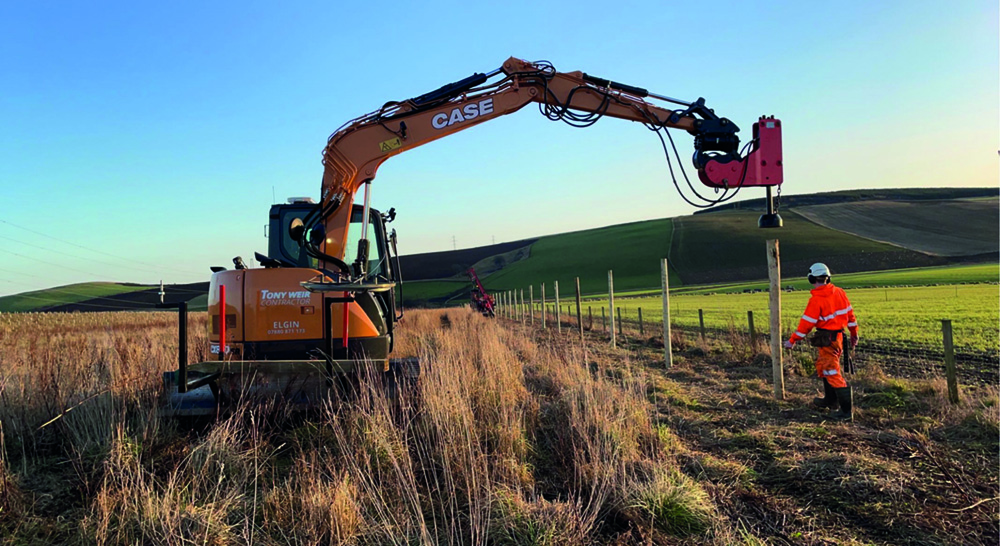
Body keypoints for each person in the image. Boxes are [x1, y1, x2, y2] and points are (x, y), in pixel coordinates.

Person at [783, 263, 859, 421]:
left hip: (828, 340)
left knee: (832, 371)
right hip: (838, 338)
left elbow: (806, 325)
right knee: (825, 367)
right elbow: (850, 316)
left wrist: (792, 340)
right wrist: (854, 333)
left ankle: (846, 412)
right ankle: (830, 400)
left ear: (811, 278)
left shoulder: (816, 300)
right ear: (828, 277)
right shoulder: (840, 292)